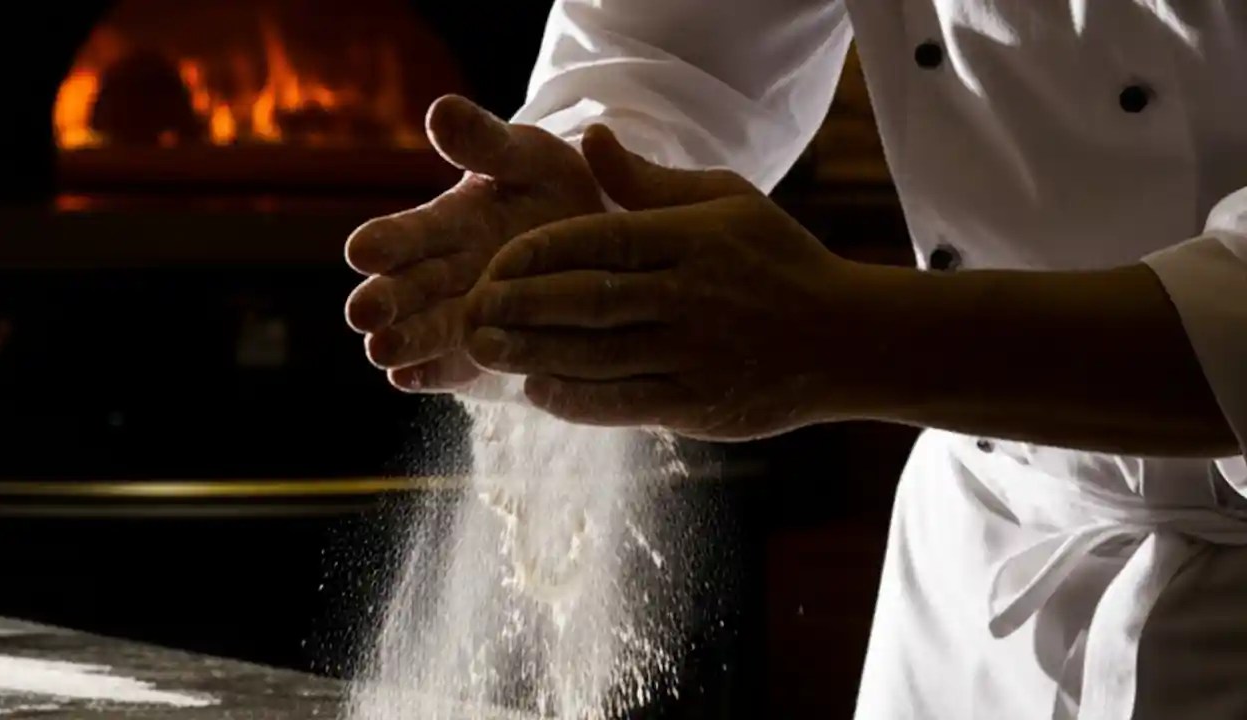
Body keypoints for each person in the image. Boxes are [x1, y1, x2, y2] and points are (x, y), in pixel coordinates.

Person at [343, 2, 1247, 717]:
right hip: (979, 561)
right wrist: (595, 188)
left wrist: (842, 337)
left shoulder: (844, 341)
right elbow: (683, 51)